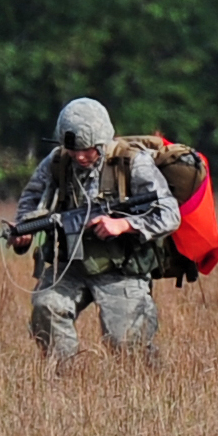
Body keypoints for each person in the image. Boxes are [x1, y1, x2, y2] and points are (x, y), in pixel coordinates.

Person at [13, 97, 182, 371]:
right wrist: (24, 230)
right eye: (72, 149)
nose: (79, 156)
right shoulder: (57, 162)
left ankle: (149, 390)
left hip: (121, 268)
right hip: (72, 264)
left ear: (102, 141)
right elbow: (31, 198)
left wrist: (125, 225)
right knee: (46, 305)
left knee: (127, 345)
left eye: (86, 150)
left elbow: (170, 214)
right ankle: (65, 379)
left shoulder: (133, 164)